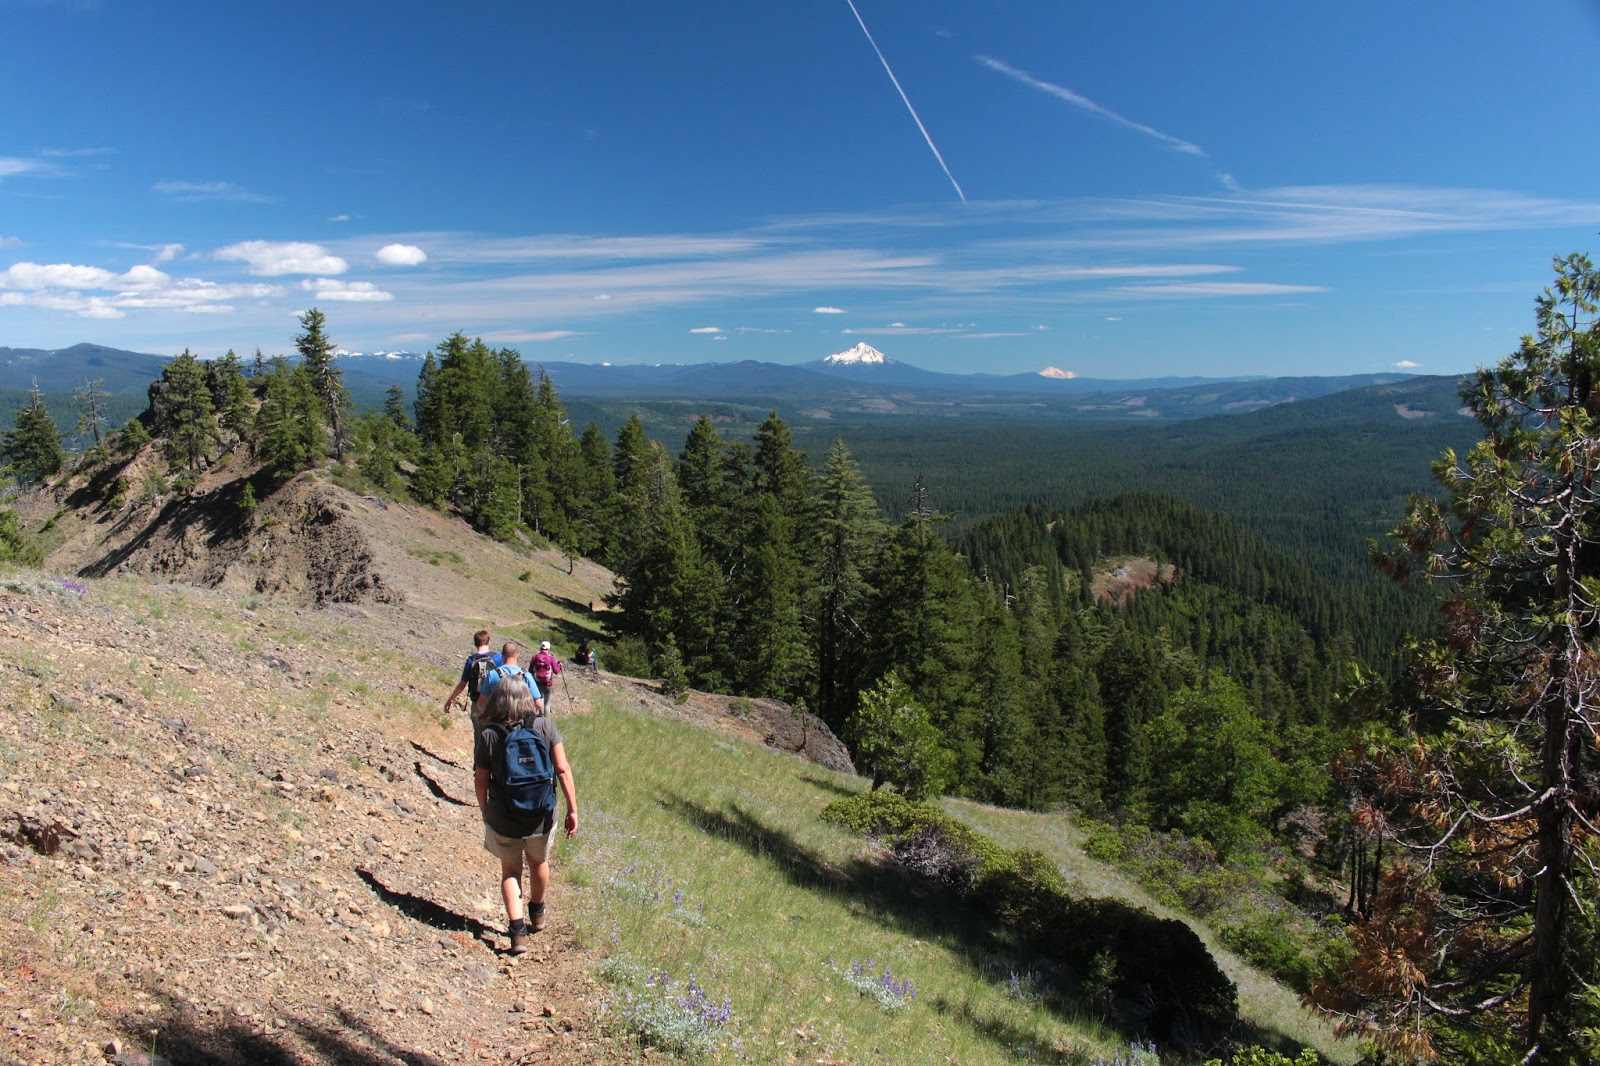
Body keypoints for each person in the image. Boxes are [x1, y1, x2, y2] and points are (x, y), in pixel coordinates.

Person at [474, 678, 578, 953]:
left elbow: (481, 778)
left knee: (510, 871)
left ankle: (517, 931)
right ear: (527, 698)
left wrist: (485, 810)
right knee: (538, 862)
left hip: (504, 815)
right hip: (540, 814)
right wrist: (572, 809)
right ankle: (538, 912)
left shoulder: (488, 735)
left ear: (498, 699)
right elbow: (563, 769)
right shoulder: (544, 726)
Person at [477, 641, 542, 724]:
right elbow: (538, 704)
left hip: (498, 723)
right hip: (519, 725)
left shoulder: (493, 674)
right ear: (518, 656)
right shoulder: (526, 676)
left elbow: (480, 703)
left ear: (502, 656)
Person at [444, 629, 500, 722]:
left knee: (479, 734)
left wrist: (450, 700)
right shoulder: (497, 658)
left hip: (477, 702)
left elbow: (462, 684)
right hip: (495, 702)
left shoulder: (471, 660)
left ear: (475, 643)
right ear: (489, 642)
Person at [530, 639, 563, 714]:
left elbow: (530, 671)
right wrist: (559, 666)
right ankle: (546, 720)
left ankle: (540, 718)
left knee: (540, 699)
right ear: (548, 648)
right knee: (547, 703)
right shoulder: (551, 658)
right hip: (548, 683)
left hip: (537, 682)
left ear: (540, 648)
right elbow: (556, 671)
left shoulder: (535, 657)